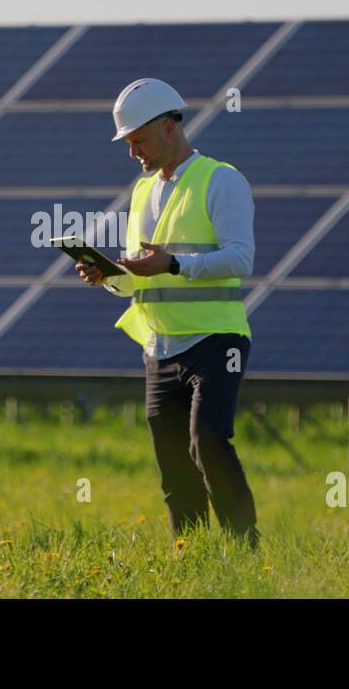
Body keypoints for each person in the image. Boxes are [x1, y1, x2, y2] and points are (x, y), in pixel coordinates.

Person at [76, 78, 260, 546]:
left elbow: (241, 258)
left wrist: (175, 264)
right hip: (159, 349)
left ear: (168, 128)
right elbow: (140, 275)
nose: (132, 151)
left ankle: (245, 545)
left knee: (210, 442)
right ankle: (191, 555)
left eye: (137, 140)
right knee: (174, 466)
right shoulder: (141, 193)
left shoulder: (222, 180)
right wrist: (111, 275)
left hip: (215, 342)